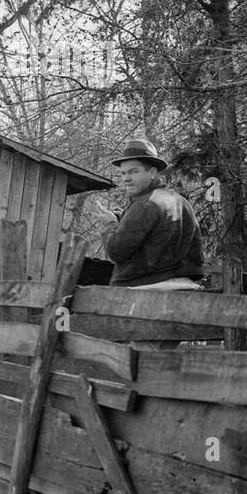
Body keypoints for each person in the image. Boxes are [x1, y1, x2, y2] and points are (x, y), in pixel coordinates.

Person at [98, 138, 205, 350]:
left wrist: (109, 225)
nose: (126, 178)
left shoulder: (146, 204)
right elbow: (165, 241)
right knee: (159, 366)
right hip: (182, 293)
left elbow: (116, 251)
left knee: (144, 368)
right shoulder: (181, 202)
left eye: (134, 171)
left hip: (148, 295)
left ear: (153, 173)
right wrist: (124, 221)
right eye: (123, 173)